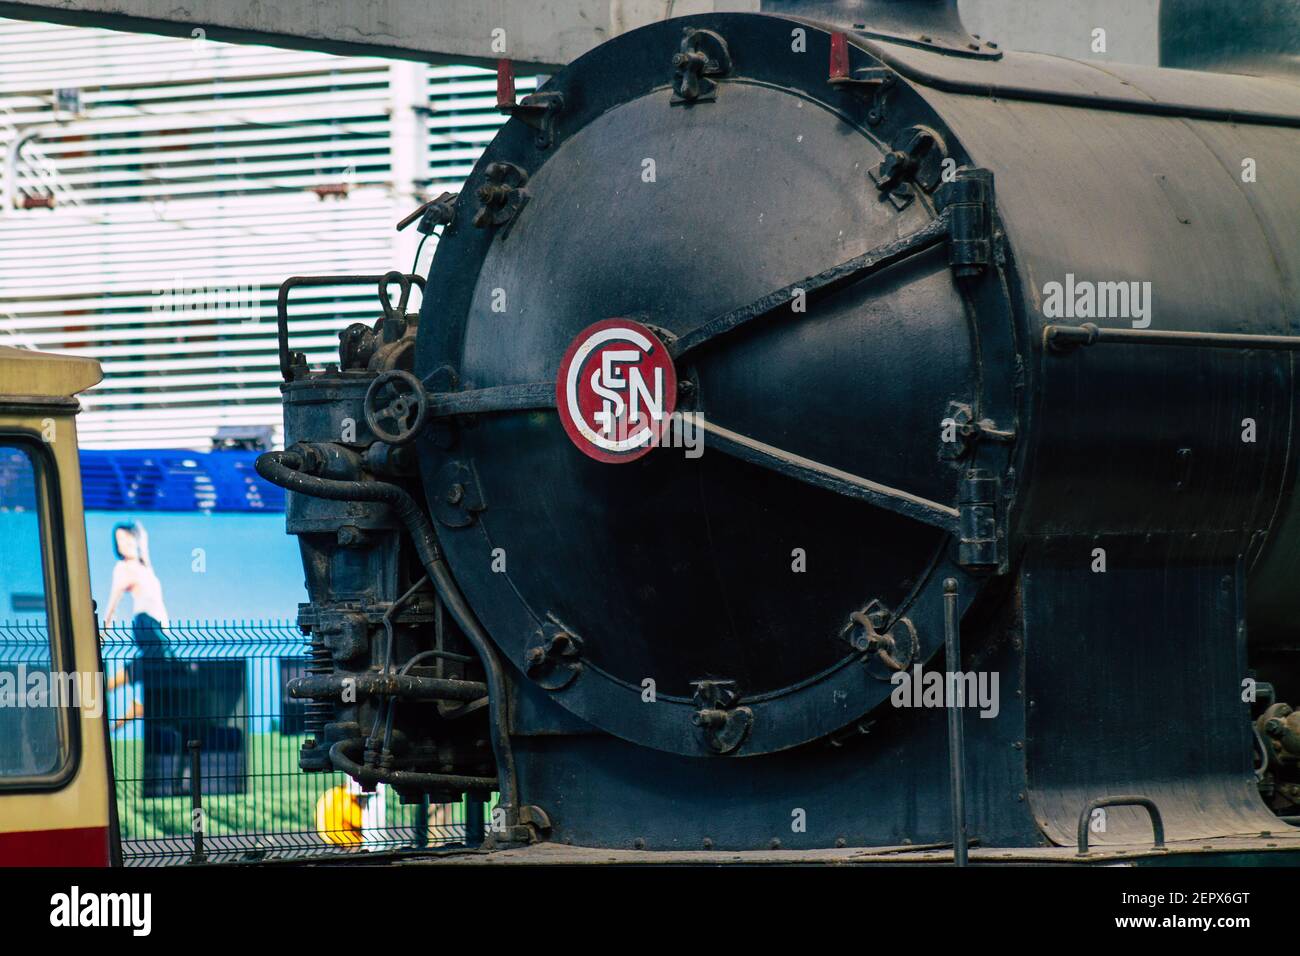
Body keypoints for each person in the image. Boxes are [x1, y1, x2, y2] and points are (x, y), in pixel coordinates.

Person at [103, 521, 170, 731]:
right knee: (163, 672)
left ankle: (124, 708)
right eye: (118, 541)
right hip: (147, 626)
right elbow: (113, 601)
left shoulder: (144, 565)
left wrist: (141, 533)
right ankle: (119, 700)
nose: (123, 544)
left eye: (126, 538)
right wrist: (105, 630)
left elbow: (144, 541)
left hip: (159, 630)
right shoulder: (122, 568)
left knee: (152, 675)